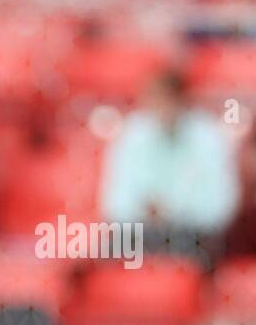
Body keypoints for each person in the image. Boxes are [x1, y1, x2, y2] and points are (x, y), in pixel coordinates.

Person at [100, 69, 239, 269]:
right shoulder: (131, 135)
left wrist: (171, 211)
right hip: (140, 233)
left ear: (183, 101)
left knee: (201, 251)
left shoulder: (209, 138)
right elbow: (114, 206)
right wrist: (146, 212)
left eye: (167, 100)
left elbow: (220, 208)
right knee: (106, 253)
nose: (162, 108)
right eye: (155, 100)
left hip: (194, 236)